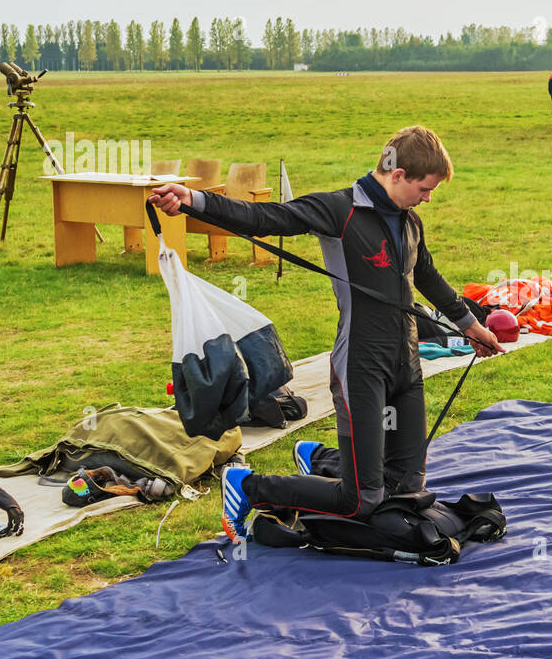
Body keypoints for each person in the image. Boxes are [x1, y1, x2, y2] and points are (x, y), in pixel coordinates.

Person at [148, 126, 503, 542]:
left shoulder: (410, 221)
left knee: (406, 490)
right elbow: (268, 219)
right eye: (425, 188)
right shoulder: (340, 210)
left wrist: (471, 327)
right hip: (360, 366)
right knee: (362, 500)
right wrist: (196, 201)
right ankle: (248, 486)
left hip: (406, 365)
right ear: (398, 174)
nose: (428, 197)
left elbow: (425, 274)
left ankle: (318, 457)